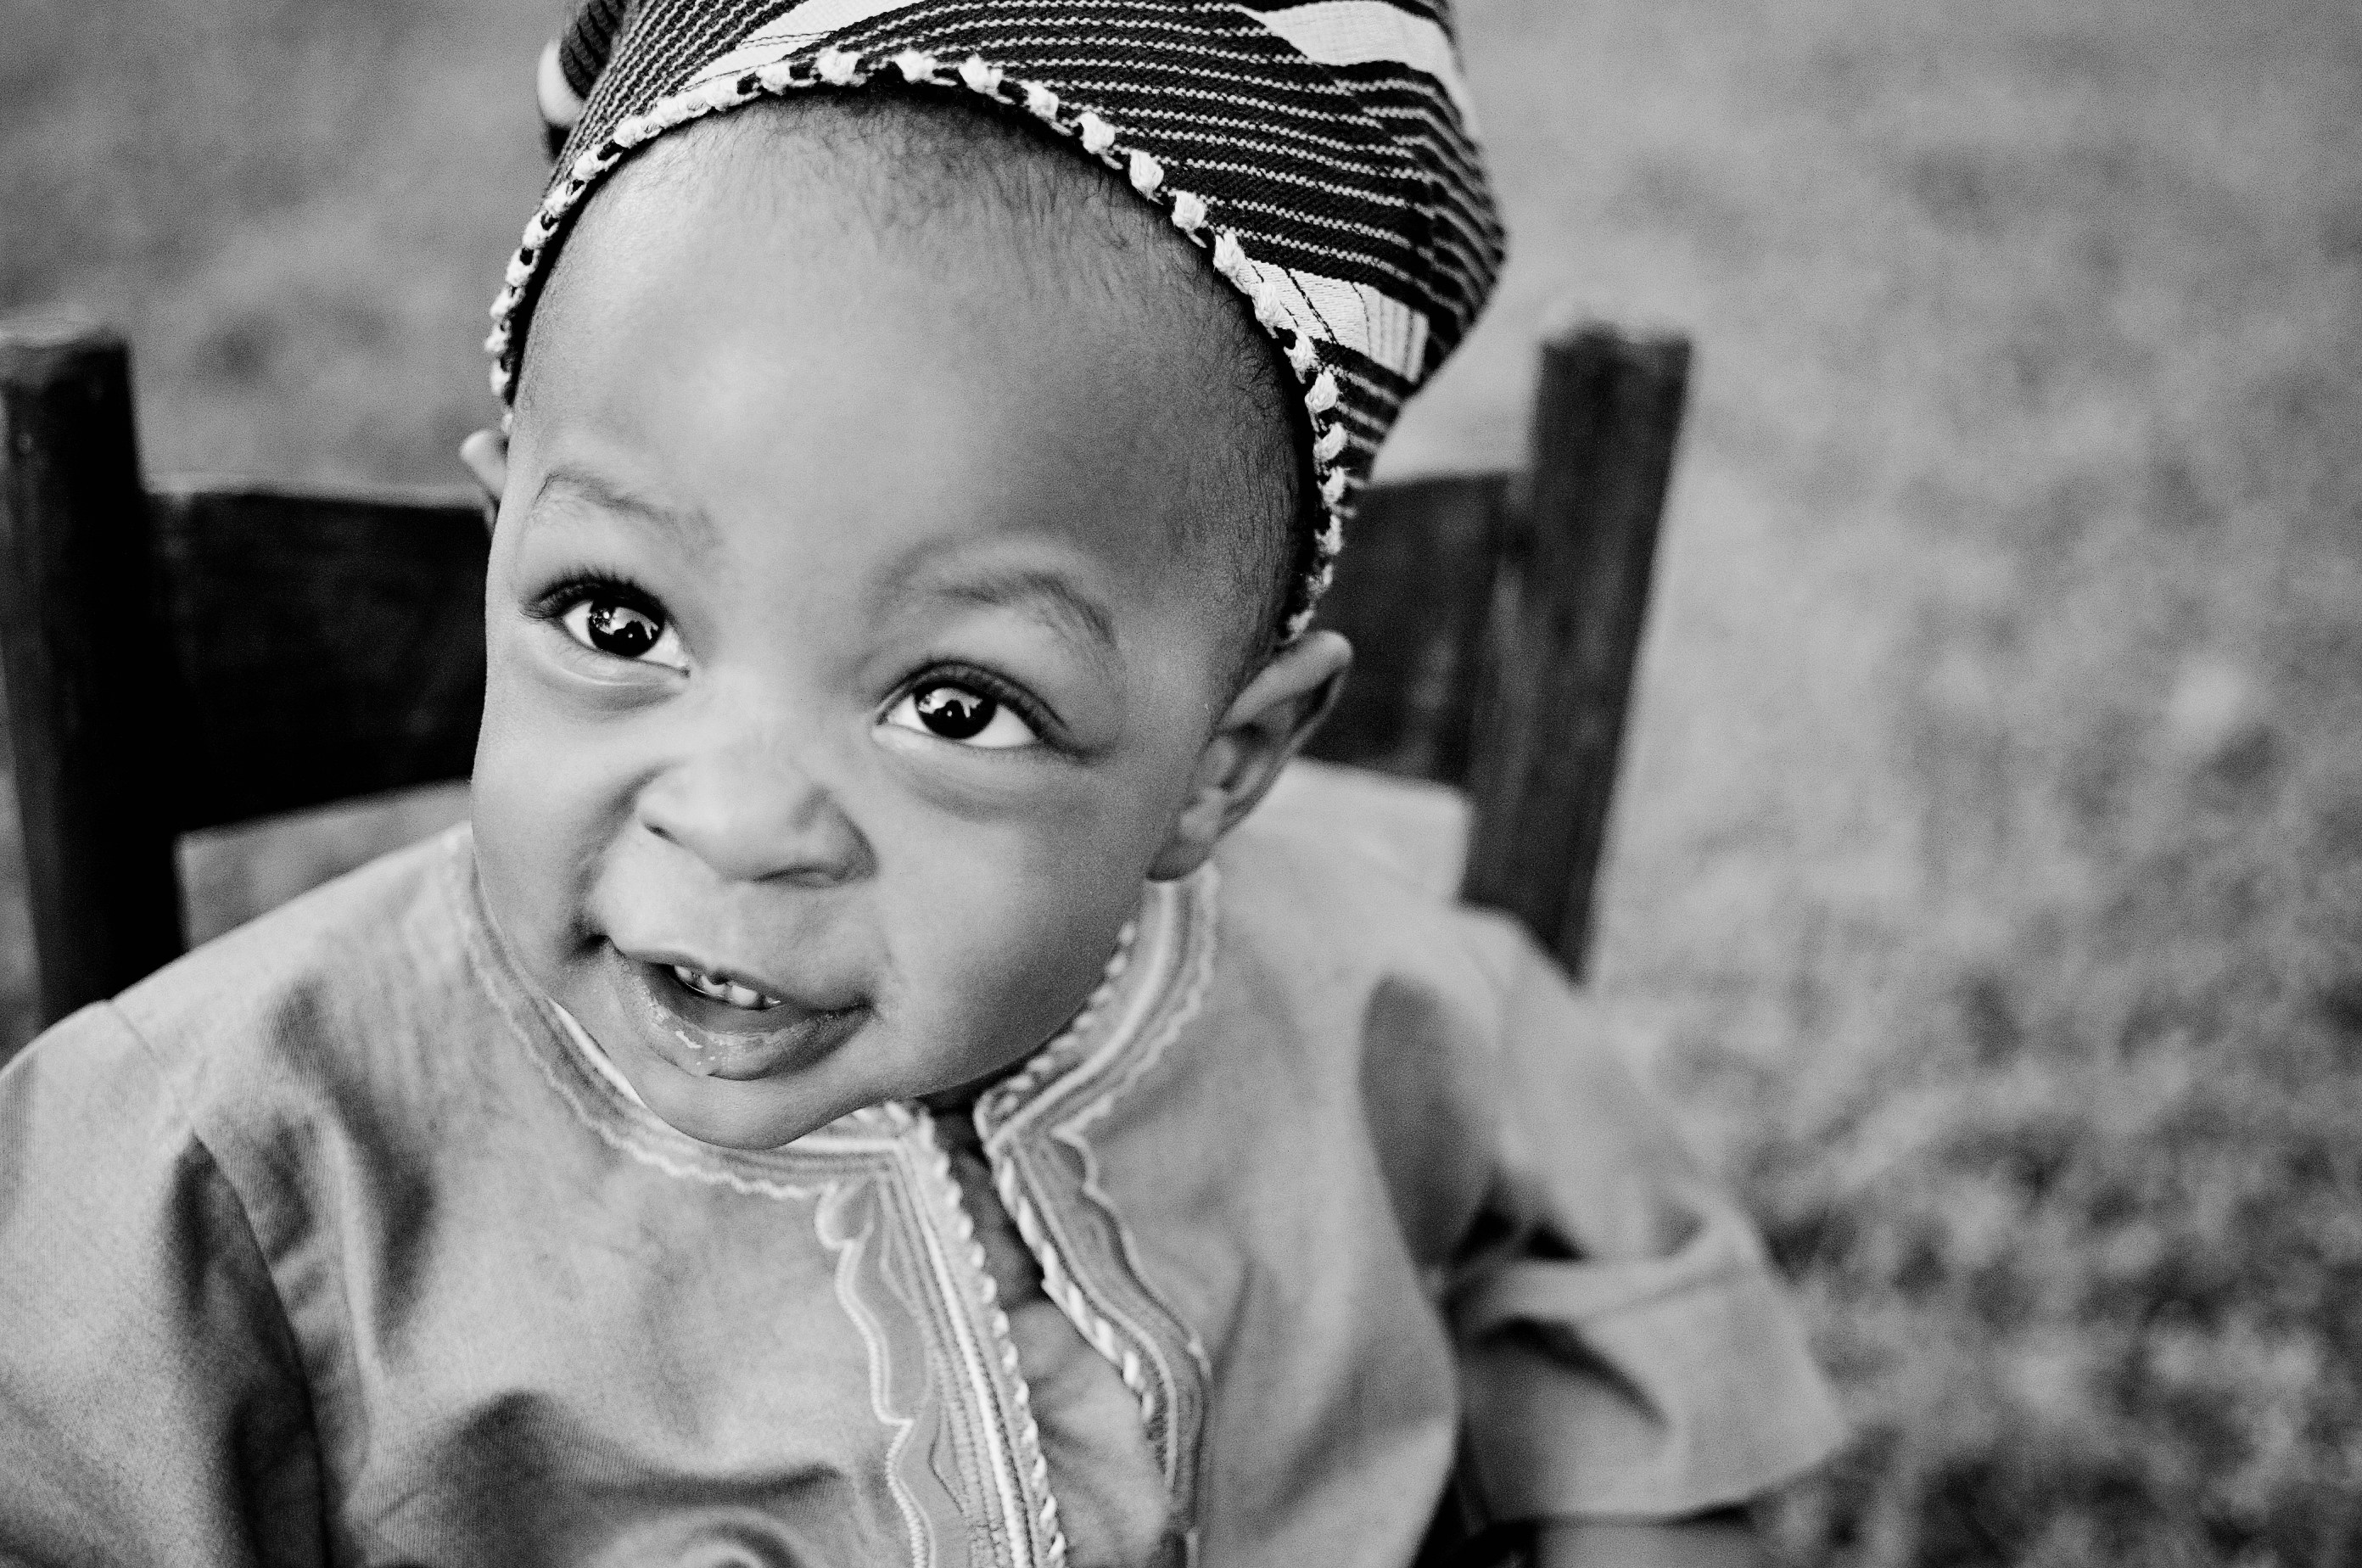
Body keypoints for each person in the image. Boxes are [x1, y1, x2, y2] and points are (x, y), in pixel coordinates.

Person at [0, 1, 1844, 1563]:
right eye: (616, 615)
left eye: (958, 707)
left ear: (1229, 766)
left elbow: (1605, 1293)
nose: (732, 819)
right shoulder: (216, 1163)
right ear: (503, 537)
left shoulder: (1378, 1005)